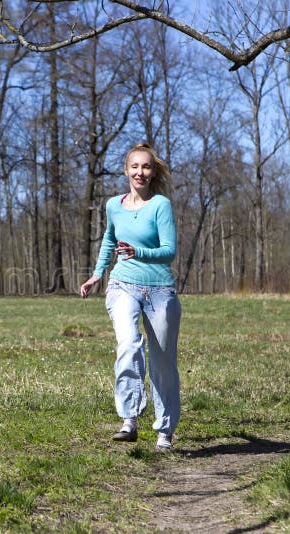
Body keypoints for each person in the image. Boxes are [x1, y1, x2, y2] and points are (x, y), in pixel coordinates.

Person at [80, 142, 182, 452]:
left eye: (146, 167)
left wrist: (139, 252)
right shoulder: (113, 205)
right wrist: (99, 273)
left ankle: (164, 432)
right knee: (128, 344)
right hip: (122, 284)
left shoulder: (160, 205)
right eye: (134, 166)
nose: (140, 172)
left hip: (160, 290)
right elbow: (110, 239)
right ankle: (129, 418)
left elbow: (170, 251)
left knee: (162, 362)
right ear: (126, 170)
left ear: (153, 172)